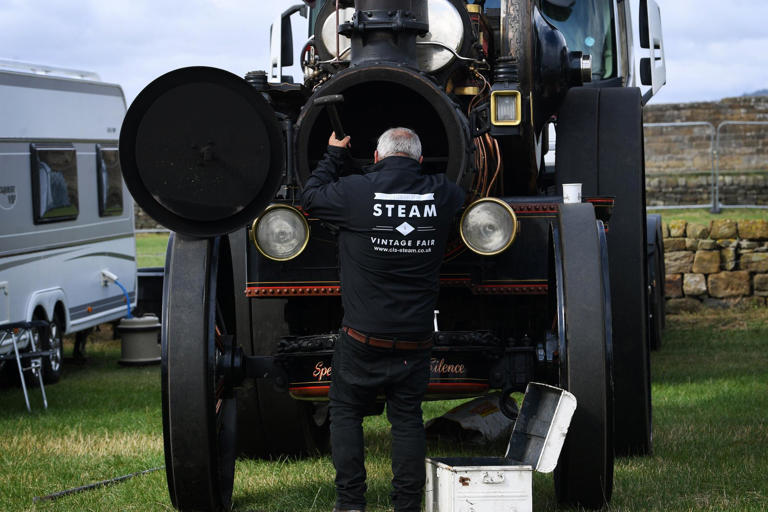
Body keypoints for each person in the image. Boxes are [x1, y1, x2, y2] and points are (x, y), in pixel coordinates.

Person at [301, 127, 465, 512]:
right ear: (421, 161)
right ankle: (406, 506)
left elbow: (309, 197)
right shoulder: (444, 193)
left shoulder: (355, 191)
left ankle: (351, 504)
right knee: (407, 418)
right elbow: (461, 192)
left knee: (345, 413)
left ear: (376, 158)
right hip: (416, 340)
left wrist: (333, 156)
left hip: (362, 337)